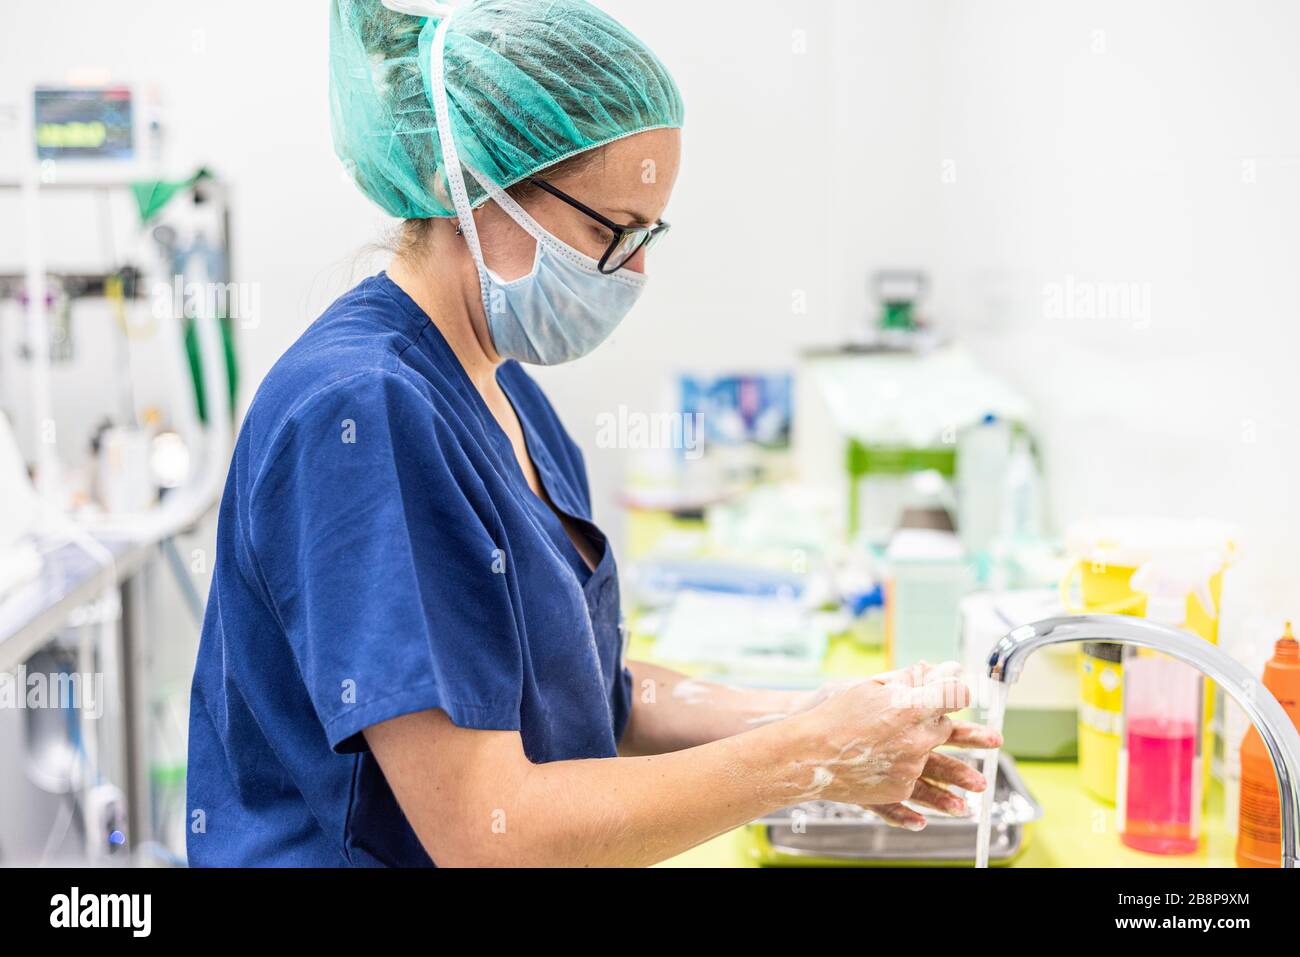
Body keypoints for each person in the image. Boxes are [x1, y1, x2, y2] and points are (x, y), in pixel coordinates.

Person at [185, 0, 1001, 867]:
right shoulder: (360, 412)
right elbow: (487, 830)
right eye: (611, 232)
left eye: (650, 233)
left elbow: (593, 700)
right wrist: (809, 759)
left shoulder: (501, 388)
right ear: (478, 186)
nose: (637, 271)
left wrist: (822, 709)